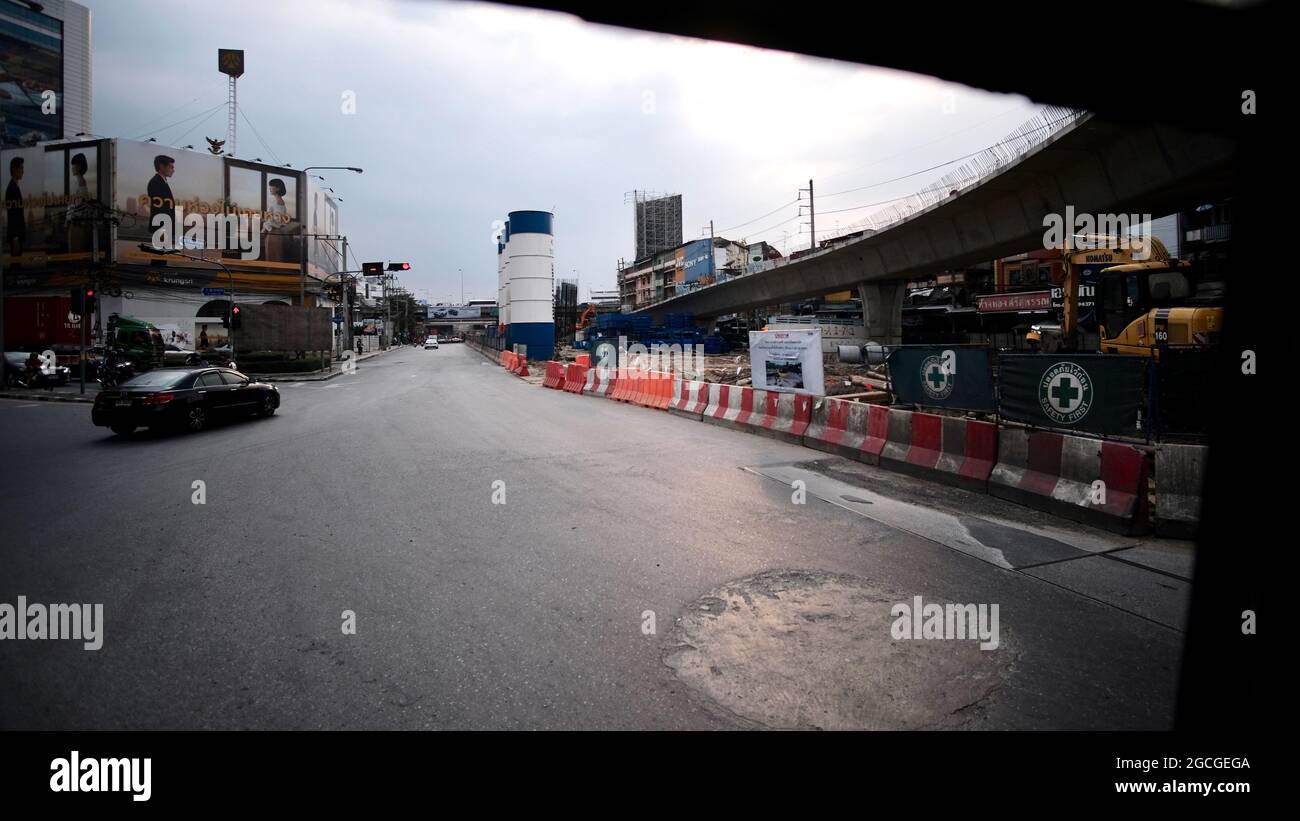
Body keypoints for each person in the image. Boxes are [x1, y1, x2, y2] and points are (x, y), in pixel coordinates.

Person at [147, 155, 175, 239]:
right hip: (161, 226)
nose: (173, 170)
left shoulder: (161, 181)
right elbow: (159, 208)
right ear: (162, 167)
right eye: (171, 167)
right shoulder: (156, 182)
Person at [6, 156, 25, 256]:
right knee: (16, 262)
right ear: (15, 169)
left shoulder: (14, 186)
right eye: (21, 168)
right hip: (15, 235)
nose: (23, 171)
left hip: (17, 234)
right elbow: (13, 214)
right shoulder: (12, 188)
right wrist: (15, 237)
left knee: (17, 261)